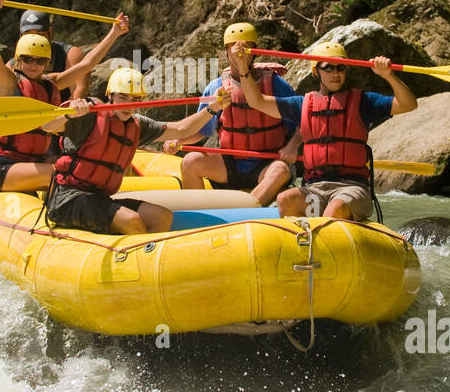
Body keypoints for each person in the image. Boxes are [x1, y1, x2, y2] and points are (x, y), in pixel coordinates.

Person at [230, 39, 417, 220]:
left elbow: (408, 104)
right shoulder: (302, 104)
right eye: (328, 67)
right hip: (315, 189)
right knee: (285, 199)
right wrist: (243, 66)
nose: (335, 73)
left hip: (351, 188)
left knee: (335, 208)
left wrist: (388, 75)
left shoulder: (364, 102)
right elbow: (256, 101)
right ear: (316, 71)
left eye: (340, 67)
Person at [46, 67, 231, 236]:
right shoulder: (89, 116)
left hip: (100, 198)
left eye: (135, 100)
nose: (128, 105)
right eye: (123, 97)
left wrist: (212, 107)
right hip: (68, 199)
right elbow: (47, 125)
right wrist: (68, 114)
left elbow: (182, 129)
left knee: (161, 216)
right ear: (110, 95)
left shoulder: (137, 125)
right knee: (131, 220)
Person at [0, 0, 130, 192]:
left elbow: (87, 64)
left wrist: (114, 33)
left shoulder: (52, 83)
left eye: (40, 61)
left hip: (33, 163)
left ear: (47, 62)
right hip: (1, 167)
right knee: (59, 173)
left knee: (71, 169)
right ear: (18, 60)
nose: (34, 65)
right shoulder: (8, 82)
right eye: (28, 59)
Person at [163, 22, 295, 205]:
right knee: (190, 161)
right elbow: (201, 130)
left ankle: (243, 211)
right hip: (230, 163)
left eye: (247, 47)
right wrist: (180, 141)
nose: (240, 52)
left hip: (266, 162)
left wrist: (292, 146)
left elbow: (302, 122)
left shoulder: (276, 85)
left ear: (254, 51)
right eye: (235, 48)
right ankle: (201, 218)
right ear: (226, 51)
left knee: (281, 171)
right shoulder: (216, 87)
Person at [17, 9, 91, 101]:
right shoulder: (13, 64)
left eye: (39, 34)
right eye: (28, 34)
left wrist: (63, 115)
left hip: (64, 111)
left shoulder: (70, 54)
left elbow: (79, 91)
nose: (34, 39)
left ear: (50, 31)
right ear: (20, 35)